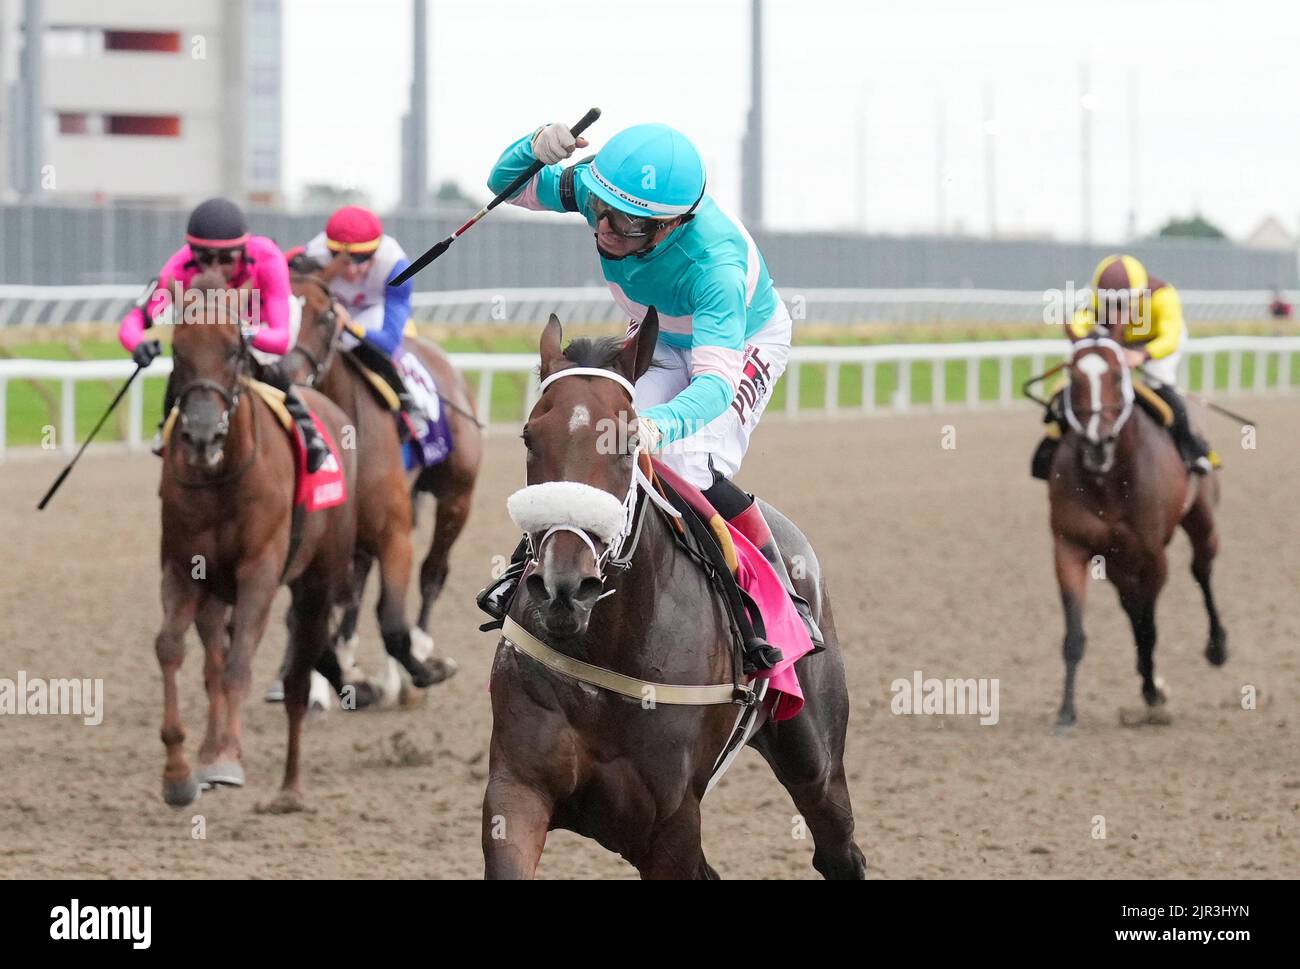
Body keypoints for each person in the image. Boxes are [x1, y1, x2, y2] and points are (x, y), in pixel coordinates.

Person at [474, 120, 822, 648]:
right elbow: (507, 186)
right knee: (591, 436)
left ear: (674, 223)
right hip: (658, 334)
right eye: (602, 215)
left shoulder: (716, 267)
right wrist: (535, 145)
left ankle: (769, 603)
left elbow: (714, 387)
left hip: (741, 345)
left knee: (686, 461)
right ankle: (528, 569)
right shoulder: (604, 191)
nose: (608, 231)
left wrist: (657, 425)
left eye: (630, 226)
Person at [118, 197, 329, 471]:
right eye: (204, 258)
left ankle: (308, 433)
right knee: (189, 363)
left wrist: (242, 333)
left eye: (227, 258)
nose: (215, 267)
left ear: (242, 249)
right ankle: (166, 428)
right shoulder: (178, 267)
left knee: (269, 367)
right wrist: (138, 345)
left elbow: (280, 340)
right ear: (191, 251)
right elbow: (134, 321)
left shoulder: (266, 258)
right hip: (213, 329)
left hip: (261, 323)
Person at [1032, 253, 1212, 478]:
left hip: (1154, 343)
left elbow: (1170, 338)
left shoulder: (1163, 297)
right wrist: (1084, 344)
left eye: (1122, 304)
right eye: (1109, 304)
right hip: (1116, 340)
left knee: (1158, 384)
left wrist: (1142, 356)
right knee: (1084, 383)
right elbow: (1081, 321)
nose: (1114, 311)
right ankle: (1052, 444)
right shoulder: (1098, 296)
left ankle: (1192, 449)